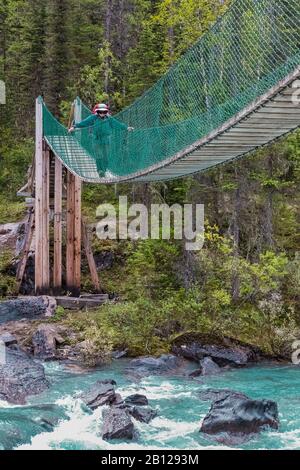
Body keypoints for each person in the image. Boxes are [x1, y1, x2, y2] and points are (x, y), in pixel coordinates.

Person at [69, 103, 133, 177]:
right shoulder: (93, 118)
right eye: (100, 112)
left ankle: (104, 170)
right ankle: (100, 171)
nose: (102, 113)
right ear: (97, 111)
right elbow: (84, 123)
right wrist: (74, 127)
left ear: (106, 112)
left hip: (106, 139)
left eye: (104, 112)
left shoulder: (109, 118)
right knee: (99, 155)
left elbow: (117, 124)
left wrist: (126, 128)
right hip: (96, 139)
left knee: (106, 156)